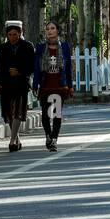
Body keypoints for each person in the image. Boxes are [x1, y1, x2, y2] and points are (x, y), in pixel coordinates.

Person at [0, 20, 35, 152]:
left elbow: (32, 65)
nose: (12, 37)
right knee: (8, 113)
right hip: (6, 84)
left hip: (21, 84)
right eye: (10, 34)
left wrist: (20, 72)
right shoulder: (3, 48)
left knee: (18, 111)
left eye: (15, 34)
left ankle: (12, 141)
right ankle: (16, 138)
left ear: (20, 33)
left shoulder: (28, 46)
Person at [33, 20, 73, 152]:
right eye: (47, 29)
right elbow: (37, 68)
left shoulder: (65, 47)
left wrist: (70, 85)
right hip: (45, 85)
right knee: (45, 114)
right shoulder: (40, 48)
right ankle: (48, 135)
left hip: (60, 85)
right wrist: (35, 85)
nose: (50, 31)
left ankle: (54, 139)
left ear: (57, 31)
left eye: (52, 28)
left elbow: (68, 68)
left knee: (56, 113)